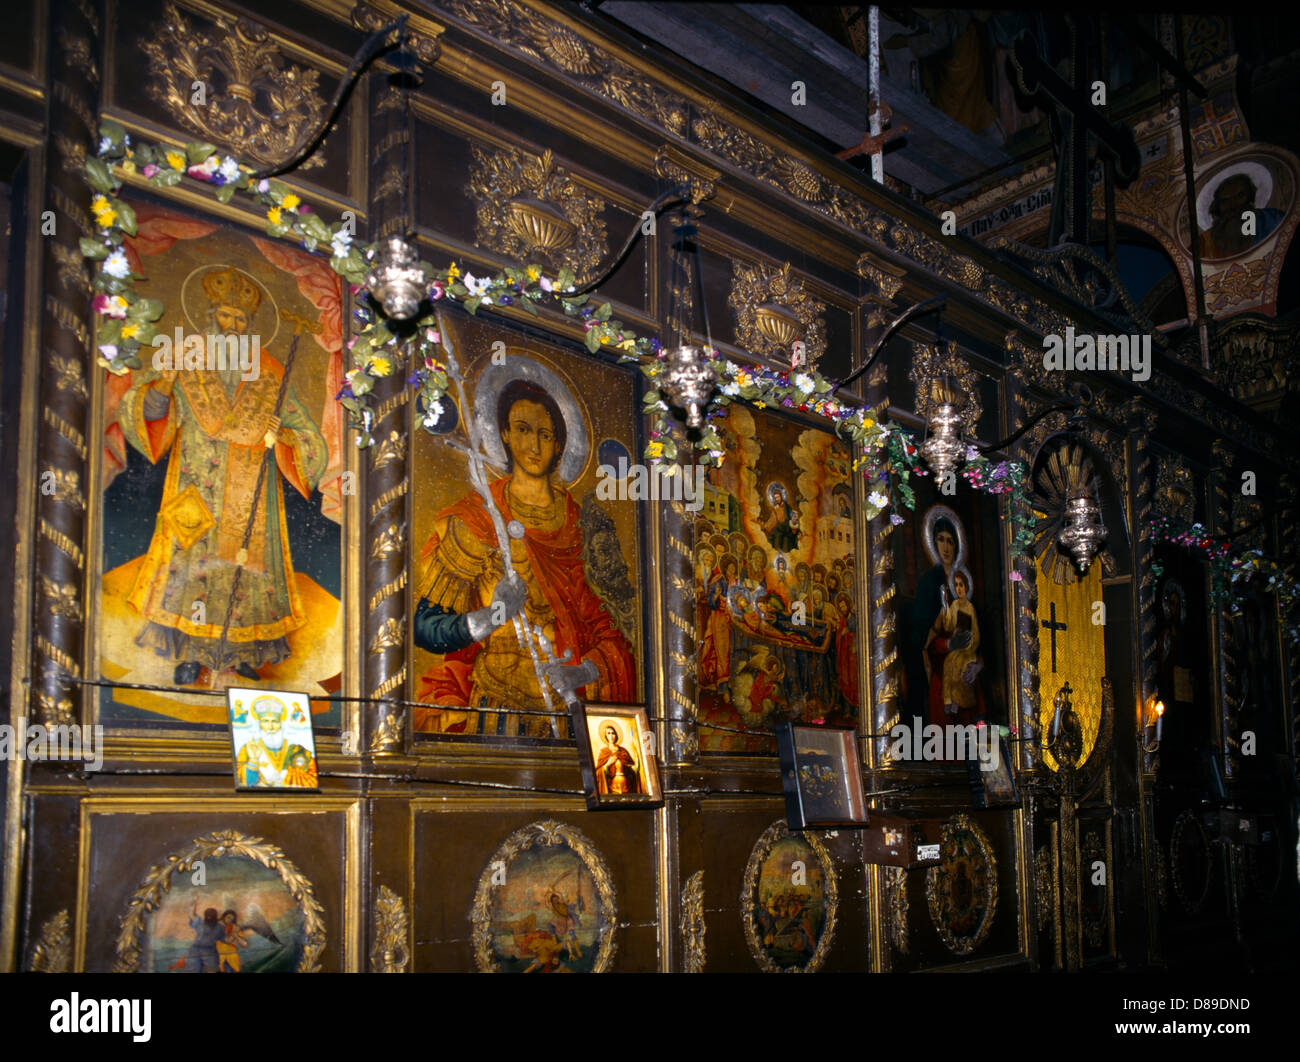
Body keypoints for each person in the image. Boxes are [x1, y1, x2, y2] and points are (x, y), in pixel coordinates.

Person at [118, 266, 328, 686]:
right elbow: (144, 413)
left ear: (250, 326)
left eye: (240, 319)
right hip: (196, 486)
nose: (231, 326)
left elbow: (309, 438)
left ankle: (240, 650)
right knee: (193, 564)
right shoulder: (186, 358)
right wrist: (163, 387)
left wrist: (283, 433)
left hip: (252, 494)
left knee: (246, 568)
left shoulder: (270, 372)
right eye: (224, 316)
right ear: (210, 315)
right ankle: (191, 654)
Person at [412, 378, 636, 736]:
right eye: (523, 429)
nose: (533, 445)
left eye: (545, 435)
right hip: (496, 708)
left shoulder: (585, 526)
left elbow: (614, 631)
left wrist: (585, 671)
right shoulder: (478, 518)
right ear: (504, 434)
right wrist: (489, 617)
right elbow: (425, 629)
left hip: (565, 712)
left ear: (560, 444)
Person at [924, 568, 982, 721]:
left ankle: (958, 702)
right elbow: (944, 630)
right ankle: (950, 701)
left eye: (961, 585)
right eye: (955, 585)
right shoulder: (952, 606)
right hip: (943, 668)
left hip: (968, 652)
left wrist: (973, 652)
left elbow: (976, 632)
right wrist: (949, 643)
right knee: (950, 666)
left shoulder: (971, 608)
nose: (958, 588)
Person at [1199, 173, 1284, 259]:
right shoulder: (1205, 241)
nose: (1232, 205)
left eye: (1239, 196)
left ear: (1250, 197)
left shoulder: (1273, 219)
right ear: (1217, 206)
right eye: (1225, 200)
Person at [234, 696, 312, 787]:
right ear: (259, 724)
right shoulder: (248, 748)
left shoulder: (296, 749)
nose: (270, 727)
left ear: (281, 724)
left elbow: (310, 780)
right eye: (265, 721)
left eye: (275, 721)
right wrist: (253, 760)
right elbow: (244, 782)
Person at [593, 722, 641, 794]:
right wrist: (608, 764)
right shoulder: (604, 752)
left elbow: (632, 771)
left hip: (625, 785)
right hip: (611, 785)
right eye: (608, 733)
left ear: (616, 735)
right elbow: (598, 772)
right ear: (605, 736)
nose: (611, 736)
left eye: (613, 733)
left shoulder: (623, 751)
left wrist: (633, 765)